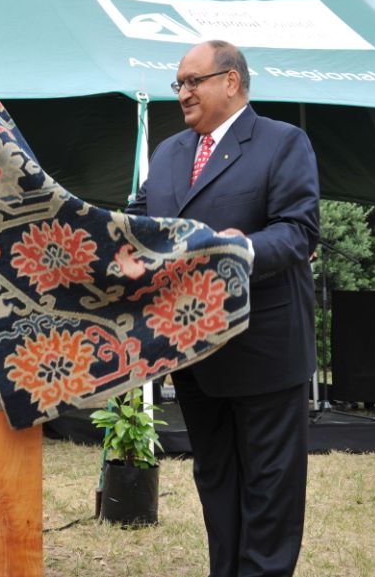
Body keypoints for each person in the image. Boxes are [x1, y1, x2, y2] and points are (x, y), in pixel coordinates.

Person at [127, 40, 319, 577]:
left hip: (264, 351)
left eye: (193, 81)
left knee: (269, 492)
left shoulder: (283, 143)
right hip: (193, 354)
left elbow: (299, 232)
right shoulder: (167, 154)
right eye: (179, 84)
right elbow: (137, 224)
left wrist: (243, 248)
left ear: (230, 81)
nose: (183, 92)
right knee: (216, 484)